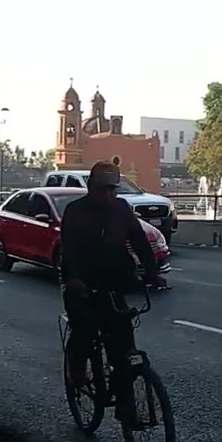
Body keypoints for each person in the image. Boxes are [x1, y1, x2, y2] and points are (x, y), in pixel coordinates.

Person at [60, 160, 166, 426]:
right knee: (84, 328)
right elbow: (68, 250)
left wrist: (152, 273)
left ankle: (126, 408)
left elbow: (139, 241)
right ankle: (76, 367)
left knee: (123, 346)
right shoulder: (75, 211)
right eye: (102, 189)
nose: (108, 195)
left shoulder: (121, 209)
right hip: (82, 282)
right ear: (91, 187)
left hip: (113, 281)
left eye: (112, 190)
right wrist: (74, 279)